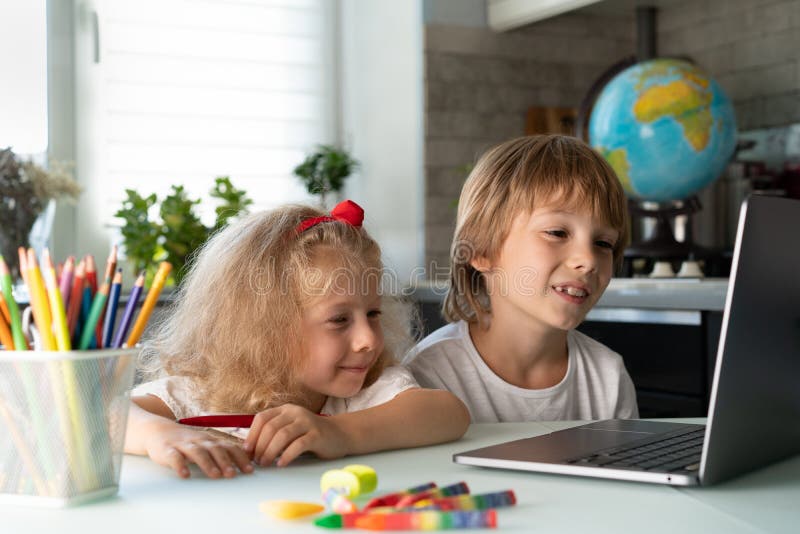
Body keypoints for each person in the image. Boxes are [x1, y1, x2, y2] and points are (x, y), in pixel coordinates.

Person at [125, 200, 469, 479]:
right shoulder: (200, 394)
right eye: (339, 320)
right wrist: (161, 435)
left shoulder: (366, 390)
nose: (367, 339)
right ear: (263, 328)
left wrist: (341, 434)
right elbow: (104, 415)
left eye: (373, 314)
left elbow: (448, 414)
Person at [405, 135, 639, 422]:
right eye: (557, 233)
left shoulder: (609, 378)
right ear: (482, 250)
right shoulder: (430, 374)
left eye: (603, 243)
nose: (588, 260)